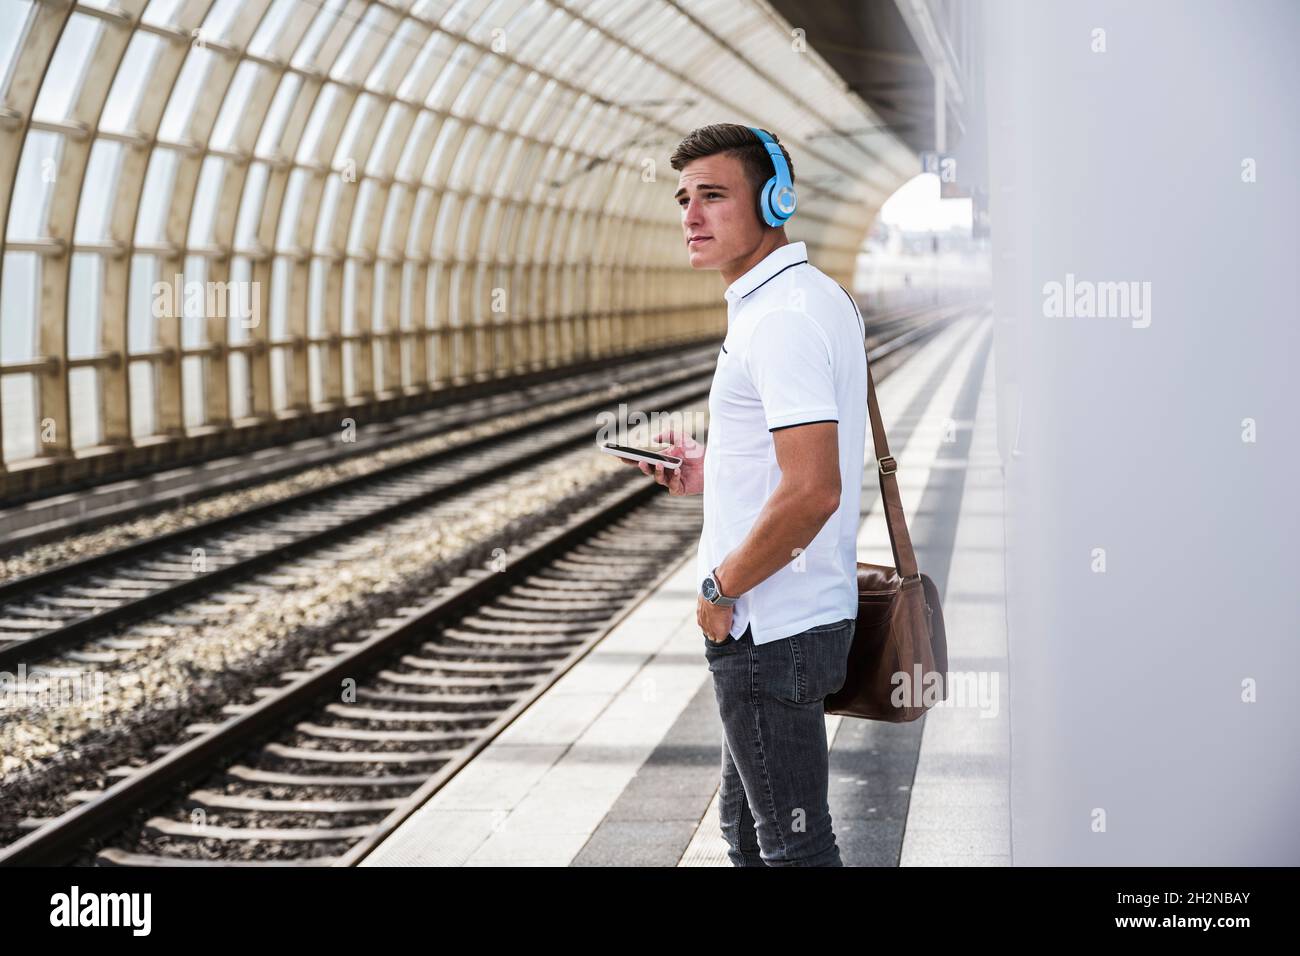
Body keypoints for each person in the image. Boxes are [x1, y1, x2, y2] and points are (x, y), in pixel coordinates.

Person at [618, 123, 868, 866]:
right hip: (797, 615)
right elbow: (793, 459)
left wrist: (719, 589)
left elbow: (815, 490)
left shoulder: (780, 321)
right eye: (684, 198)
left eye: (714, 196)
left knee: (793, 848)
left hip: (768, 625)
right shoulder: (807, 297)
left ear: (775, 198)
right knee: (750, 839)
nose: (690, 217)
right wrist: (705, 471)